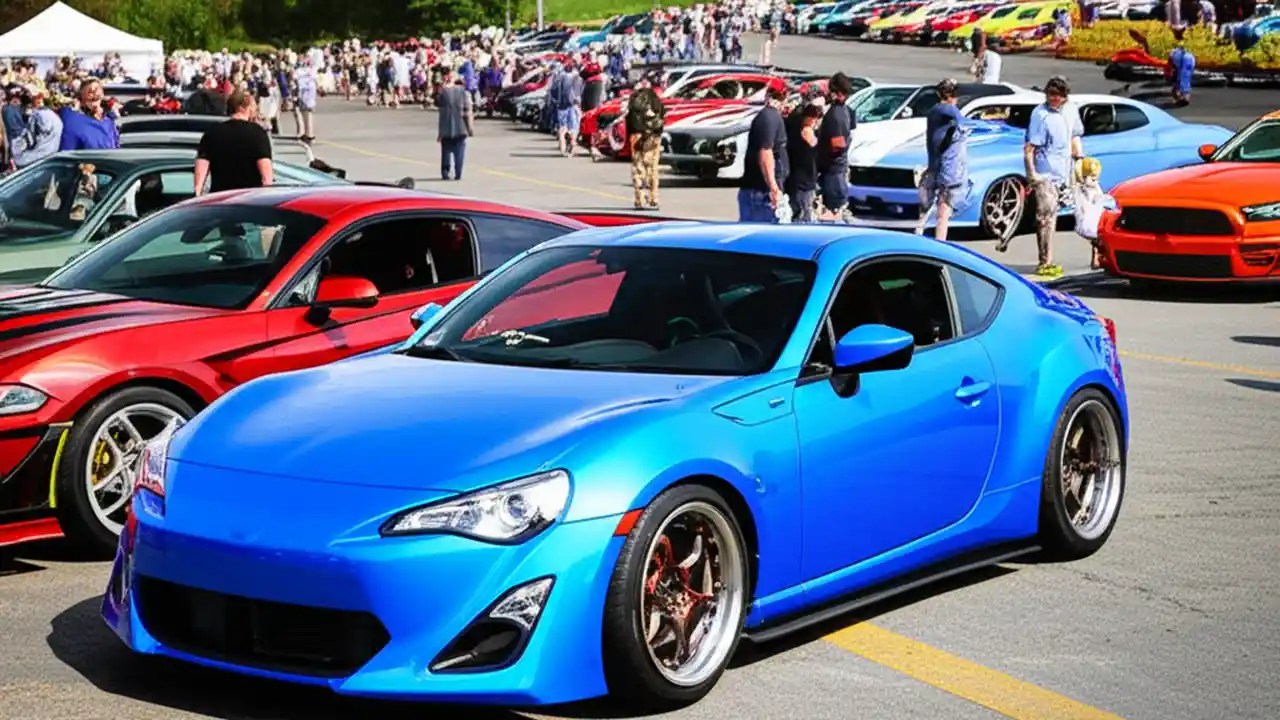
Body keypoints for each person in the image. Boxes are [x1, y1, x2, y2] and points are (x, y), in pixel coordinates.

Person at [1001, 75, 1083, 278]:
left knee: (1059, 215)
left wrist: (1080, 161)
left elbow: (1075, 136)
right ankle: (1044, 260)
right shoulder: (1040, 114)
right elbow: (1029, 148)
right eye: (1051, 94)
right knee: (1045, 217)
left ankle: (1050, 258)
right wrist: (1032, 175)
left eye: (1058, 95)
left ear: (1065, 96)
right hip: (1045, 174)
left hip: (1064, 172)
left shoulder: (1071, 110)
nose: (1054, 99)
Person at [917, 79, 971, 241]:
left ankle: (919, 235)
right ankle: (940, 242)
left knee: (926, 208)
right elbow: (964, 123)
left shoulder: (934, 111)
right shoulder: (946, 109)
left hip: (935, 165)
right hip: (947, 169)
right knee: (943, 209)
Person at [194, 89, 273, 195]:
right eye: (253, 107)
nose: (255, 110)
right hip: (250, 198)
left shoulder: (212, 133)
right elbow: (266, 177)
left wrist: (198, 193)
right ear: (243, 108)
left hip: (220, 198)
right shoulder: (257, 133)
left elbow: (200, 172)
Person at [738, 86, 788, 223]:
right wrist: (773, 188)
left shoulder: (771, 116)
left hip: (762, 191)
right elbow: (765, 152)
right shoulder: (769, 117)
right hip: (761, 193)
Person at [816, 72, 855, 220]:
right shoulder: (846, 111)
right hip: (837, 170)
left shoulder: (836, 115)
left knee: (833, 215)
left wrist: (821, 153)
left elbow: (838, 145)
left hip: (833, 172)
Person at [625, 72, 666, 210]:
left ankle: (640, 199)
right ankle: (654, 198)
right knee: (652, 168)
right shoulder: (655, 99)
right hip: (653, 137)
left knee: (638, 167)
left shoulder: (633, 100)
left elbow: (628, 120)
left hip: (636, 136)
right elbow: (662, 117)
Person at [785, 101, 823, 223]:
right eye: (813, 117)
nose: (814, 121)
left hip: (804, 179)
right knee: (804, 212)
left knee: (803, 210)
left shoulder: (798, 130)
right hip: (803, 181)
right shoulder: (805, 132)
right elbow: (813, 144)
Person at [58, 79, 119, 151]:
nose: (94, 93)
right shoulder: (71, 118)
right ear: (81, 98)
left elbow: (115, 146)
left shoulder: (108, 122)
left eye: (96, 90)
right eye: (90, 91)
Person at [436, 69, 474, 181]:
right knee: (459, 152)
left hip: (446, 128)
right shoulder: (463, 93)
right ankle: (458, 172)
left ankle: (445, 171)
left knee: (446, 151)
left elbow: (437, 103)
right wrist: (470, 128)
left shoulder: (443, 92)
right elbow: (467, 112)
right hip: (460, 127)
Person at [549, 62, 583, 157]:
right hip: (573, 105)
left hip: (561, 106)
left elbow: (553, 90)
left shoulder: (559, 77)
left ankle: (562, 148)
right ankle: (573, 148)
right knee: (574, 127)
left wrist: (556, 101)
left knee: (562, 128)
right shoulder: (577, 77)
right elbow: (580, 92)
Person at [1168, 35, 1195, 106]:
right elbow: (1192, 63)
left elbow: (1170, 61)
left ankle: (1181, 99)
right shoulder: (1188, 53)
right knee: (1185, 83)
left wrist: (1170, 69)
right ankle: (1185, 98)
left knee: (1179, 83)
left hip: (1182, 66)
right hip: (1187, 66)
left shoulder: (1174, 52)